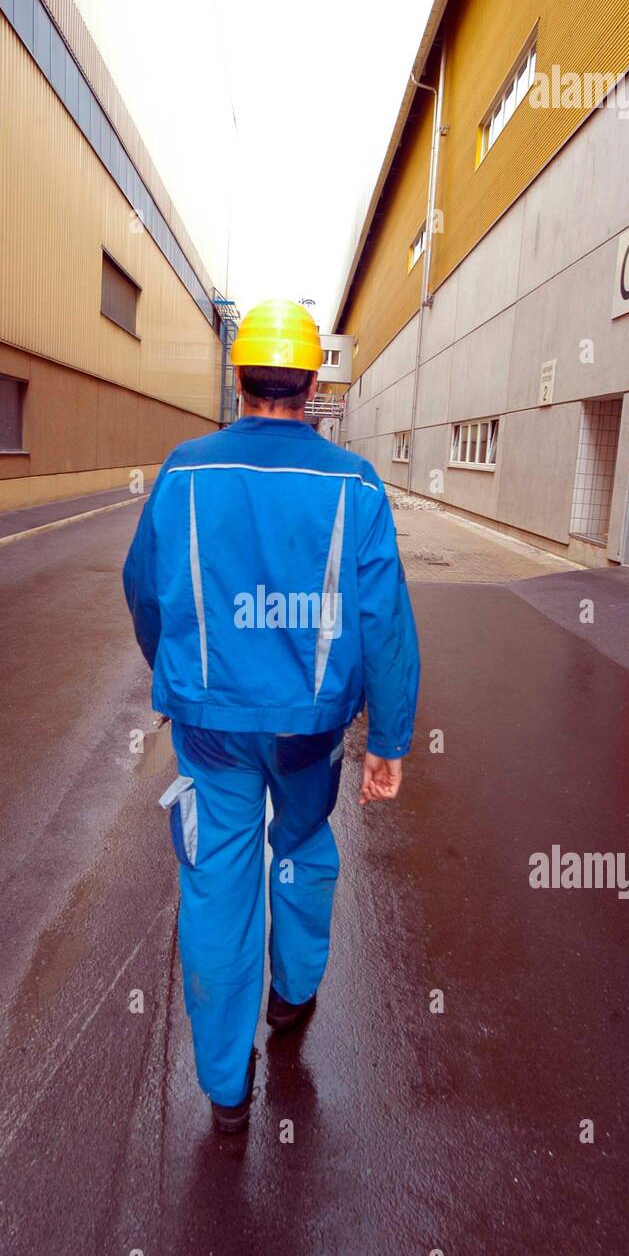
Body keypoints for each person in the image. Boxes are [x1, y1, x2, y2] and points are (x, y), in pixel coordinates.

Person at [122, 299, 420, 1133]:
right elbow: (383, 620)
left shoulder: (185, 470)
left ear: (240, 375)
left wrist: (177, 672)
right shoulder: (352, 483)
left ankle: (224, 1091)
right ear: (313, 382)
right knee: (298, 847)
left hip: (211, 728)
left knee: (216, 883)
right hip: (310, 731)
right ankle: (291, 998)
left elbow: (145, 590)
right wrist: (388, 739)